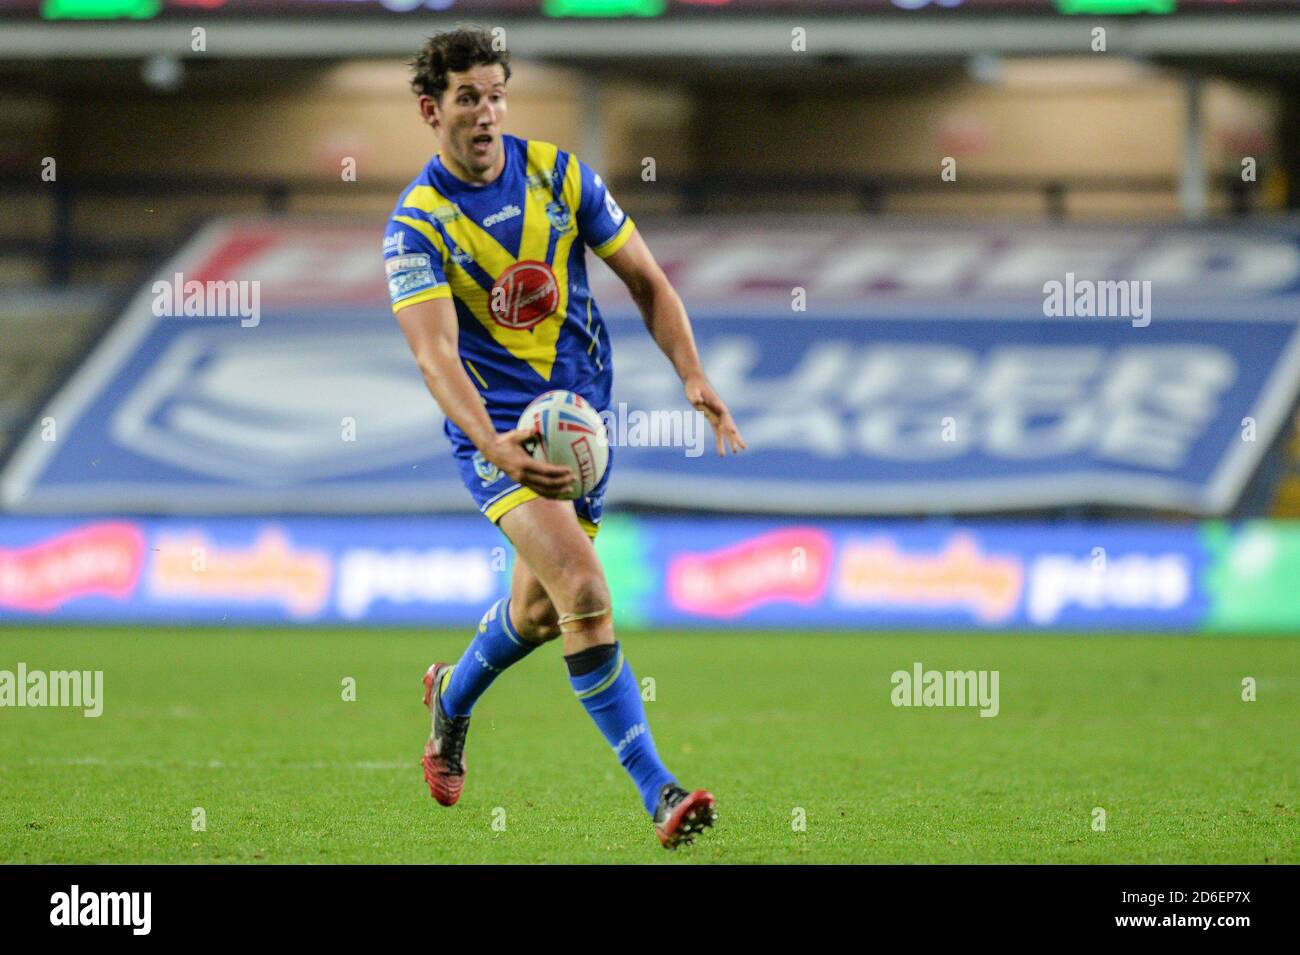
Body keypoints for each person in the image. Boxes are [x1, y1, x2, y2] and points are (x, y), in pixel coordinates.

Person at [384, 26, 746, 849]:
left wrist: (691, 373)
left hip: (581, 432)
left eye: (496, 93)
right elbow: (435, 355)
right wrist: (495, 444)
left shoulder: (558, 174)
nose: (486, 111)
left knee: (537, 613)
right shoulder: (417, 224)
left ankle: (452, 697)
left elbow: (648, 280)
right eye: (467, 97)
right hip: (499, 433)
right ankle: (661, 793)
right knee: (584, 590)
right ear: (429, 110)